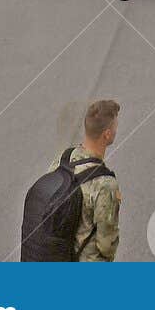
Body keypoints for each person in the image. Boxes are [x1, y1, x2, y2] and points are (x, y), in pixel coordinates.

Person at [57, 100, 122, 261]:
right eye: (115, 127)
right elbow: (106, 246)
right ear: (107, 134)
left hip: (57, 256)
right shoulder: (105, 184)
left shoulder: (63, 160)